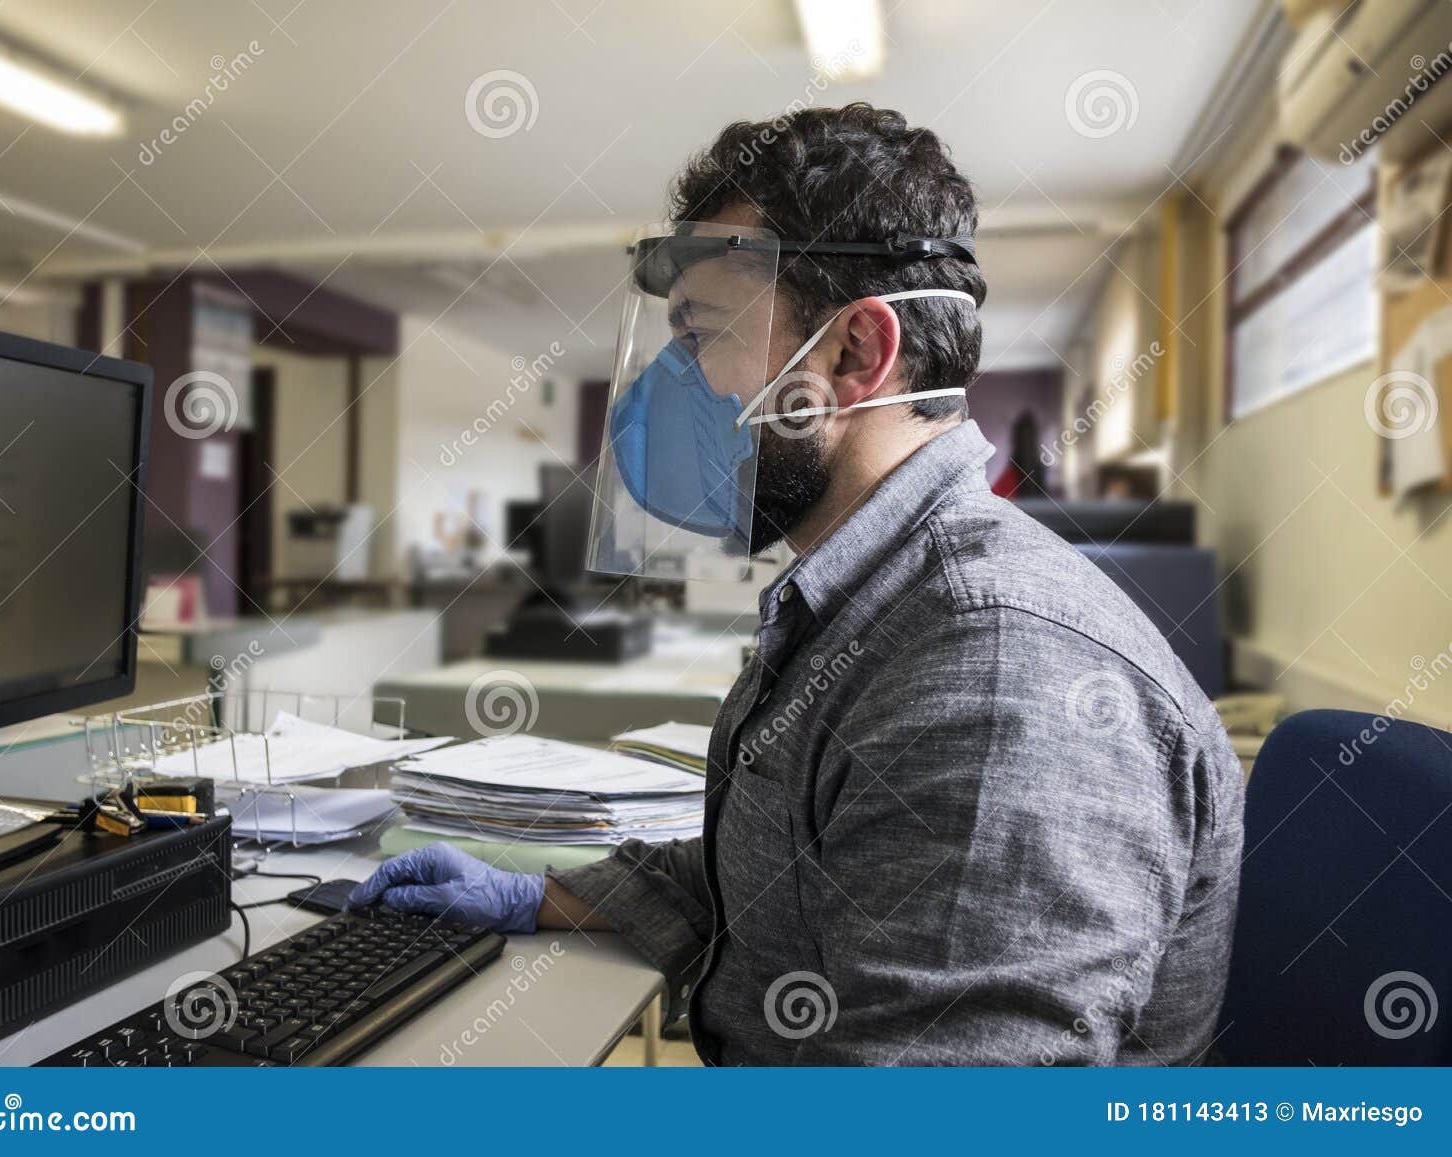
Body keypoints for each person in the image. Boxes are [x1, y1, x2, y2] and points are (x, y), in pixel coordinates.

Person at [350, 104, 1244, 1066]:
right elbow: (800, 868)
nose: (673, 380)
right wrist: (538, 895)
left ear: (857, 354)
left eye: (700, 332)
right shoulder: (871, 598)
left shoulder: (993, 671)